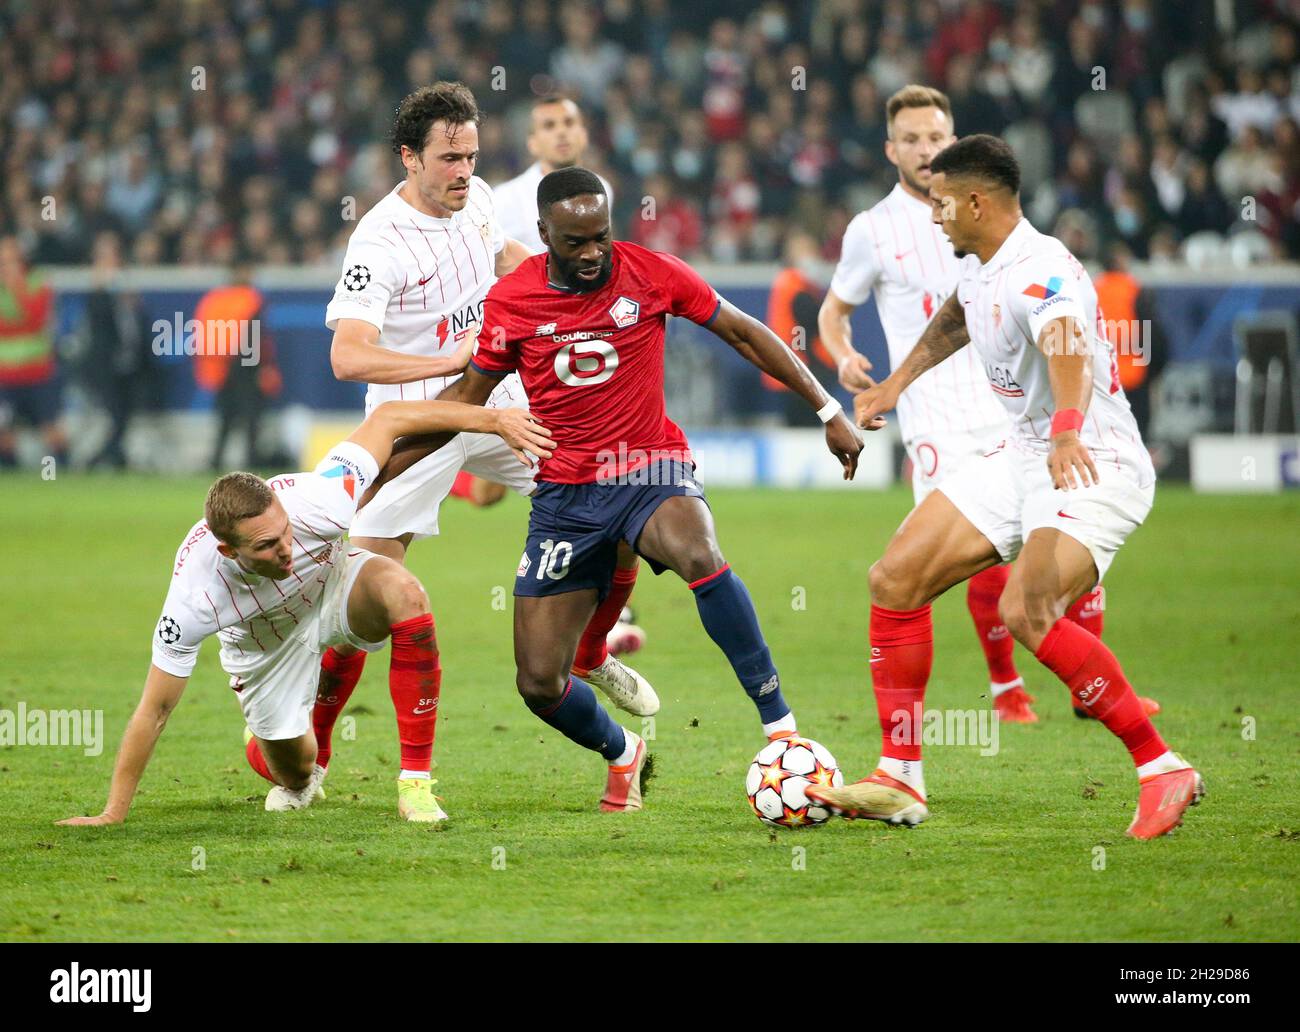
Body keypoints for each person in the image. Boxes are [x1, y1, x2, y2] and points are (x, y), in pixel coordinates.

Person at [408, 166, 862, 812]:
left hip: (649, 465)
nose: (594, 253)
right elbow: (466, 400)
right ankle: (623, 751)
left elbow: (741, 331)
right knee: (539, 682)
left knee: (699, 553)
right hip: (565, 496)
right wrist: (381, 461)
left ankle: (782, 729)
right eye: (576, 242)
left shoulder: (650, 272)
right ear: (543, 236)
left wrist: (826, 409)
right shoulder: (512, 301)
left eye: (602, 236)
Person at [807, 135, 1203, 840]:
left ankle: (1160, 765)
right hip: (1022, 450)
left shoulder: (1039, 269)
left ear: (977, 201)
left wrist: (1067, 428)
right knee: (894, 577)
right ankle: (900, 776)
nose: (935, 217)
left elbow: (1067, 345)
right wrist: (895, 385)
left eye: (942, 203)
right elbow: (957, 317)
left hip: (1091, 458)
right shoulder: (983, 265)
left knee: (1029, 607)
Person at [325, 84, 657, 803]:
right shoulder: (378, 239)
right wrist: (444, 364)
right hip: (415, 420)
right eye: (448, 158)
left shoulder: (475, 201)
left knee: (616, 497)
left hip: (501, 400)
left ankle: (594, 652)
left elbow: (510, 257)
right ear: (408, 157)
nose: (463, 172)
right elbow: (349, 356)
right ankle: (312, 756)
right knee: (361, 601)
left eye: (471, 156)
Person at [817, 85, 1156, 724]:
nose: (925, 149)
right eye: (911, 139)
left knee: (1046, 575)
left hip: (1023, 414)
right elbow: (923, 313)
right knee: (945, 571)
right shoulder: (879, 232)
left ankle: (1113, 713)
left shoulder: (1016, 251)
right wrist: (875, 374)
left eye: (935, 137)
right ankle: (997, 697)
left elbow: (1065, 344)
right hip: (940, 420)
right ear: (891, 149)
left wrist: (1063, 429)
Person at [56, 399, 552, 827]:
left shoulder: (318, 501)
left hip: (331, 587)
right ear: (229, 553)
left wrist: (490, 420)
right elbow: (156, 708)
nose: (286, 548)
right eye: (267, 546)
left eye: (285, 531)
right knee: (295, 774)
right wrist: (113, 811)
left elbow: (388, 417)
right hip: (265, 650)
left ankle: (416, 783)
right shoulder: (194, 597)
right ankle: (274, 745)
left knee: (406, 593)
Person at [493, 95, 613, 255]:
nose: (561, 132)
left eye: (569, 123)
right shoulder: (506, 198)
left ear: (584, 136)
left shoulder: (602, 188)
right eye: (549, 126)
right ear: (532, 143)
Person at [196, 260, 282, 470]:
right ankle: (251, 460)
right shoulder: (250, 299)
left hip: (221, 367)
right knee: (251, 417)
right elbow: (255, 335)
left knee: (226, 418)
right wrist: (264, 366)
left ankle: (216, 460)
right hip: (245, 366)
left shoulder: (213, 300)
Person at [82, 231, 156, 470]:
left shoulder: (128, 292)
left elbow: (137, 328)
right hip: (107, 367)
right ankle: (100, 459)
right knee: (117, 416)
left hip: (131, 367)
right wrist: (101, 285)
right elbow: (98, 322)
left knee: (124, 417)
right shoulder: (99, 293)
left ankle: (113, 457)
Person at [0, 235, 68, 471]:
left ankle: (63, 470)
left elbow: (36, 319)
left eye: (10, 261)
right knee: (4, 430)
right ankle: (10, 472)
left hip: (39, 372)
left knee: (51, 428)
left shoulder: (38, 282)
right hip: (6, 376)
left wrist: (16, 288)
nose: (6, 267)